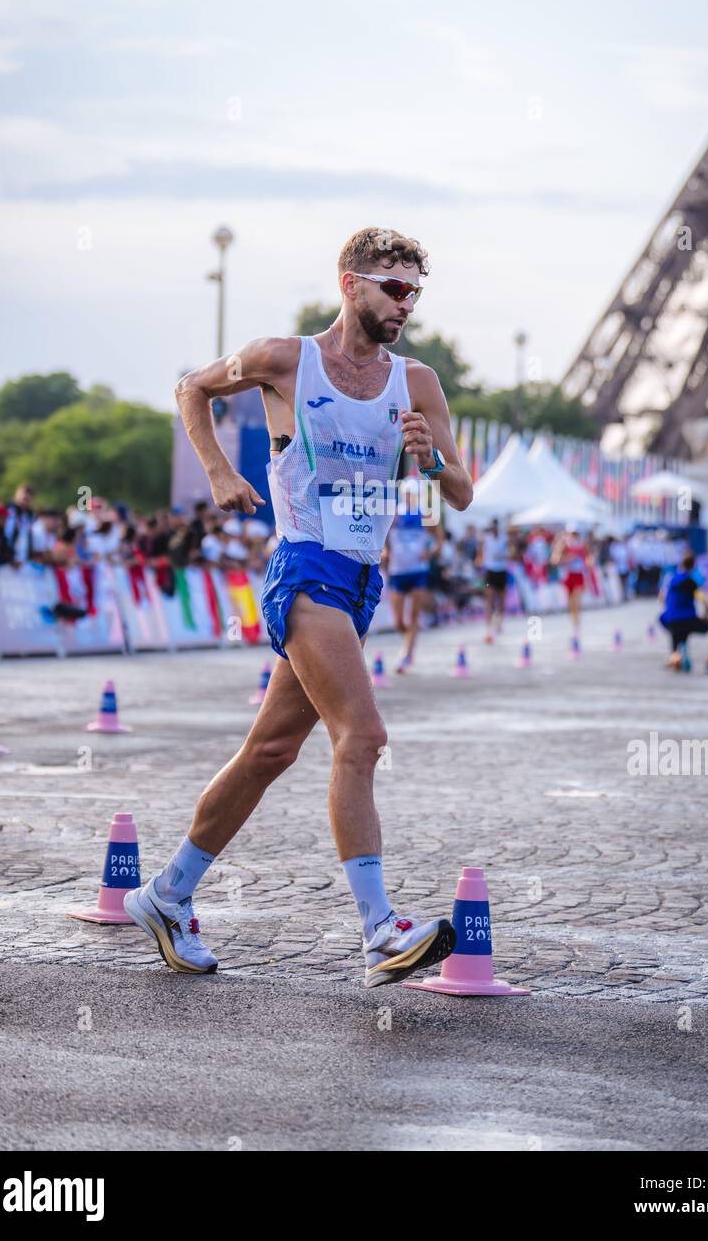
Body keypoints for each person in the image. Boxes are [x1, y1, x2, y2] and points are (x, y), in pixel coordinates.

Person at [124, 226, 473, 987]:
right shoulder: (287, 358)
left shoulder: (417, 383)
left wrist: (432, 457)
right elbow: (193, 386)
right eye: (395, 286)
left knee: (270, 753)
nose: (407, 304)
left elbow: (462, 491)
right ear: (350, 282)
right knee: (364, 736)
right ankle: (381, 928)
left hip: (359, 582)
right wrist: (218, 469)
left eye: (416, 290)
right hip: (303, 568)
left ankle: (167, 894)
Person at [384, 486, 433, 672]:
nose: (409, 496)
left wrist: (428, 553)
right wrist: (386, 551)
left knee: (413, 616)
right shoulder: (393, 514)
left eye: (413, 493)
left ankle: (406, 653)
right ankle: (409, 641)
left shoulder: (425, 515)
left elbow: (439, 539)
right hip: (398, 571)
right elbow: (384, 536)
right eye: (407, 493)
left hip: (418, 571)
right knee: (398, 622)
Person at [658, 552, 708, 674]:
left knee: (678, 643)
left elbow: (661, 596)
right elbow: (705, 602)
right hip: (687, 620)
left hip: (669, 620)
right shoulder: (691, 582)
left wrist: (668, 609)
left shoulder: (670, 578)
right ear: (693, 566)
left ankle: (675, 658)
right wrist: (706, 616)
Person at [552, 527, 590, 637]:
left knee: (577, 600)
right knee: (570, 603)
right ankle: (574, 622)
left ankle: (577, 624)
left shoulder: (583, 544)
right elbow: (555, 560)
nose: (574, 536)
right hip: (568, 575)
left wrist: (588, 562)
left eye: (576, 533)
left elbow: (588, 557)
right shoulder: (564, 544)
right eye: (572, 533)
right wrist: (567, 558)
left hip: (579, 575)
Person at [477, 518, 510, 643]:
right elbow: (480, 552)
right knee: (489, 600)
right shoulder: (486, 538)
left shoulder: (504, 538)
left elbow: (511, 552)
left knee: (501, 600)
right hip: (490, 571)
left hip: (501, 570)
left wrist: (503, 555)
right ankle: (488, 627)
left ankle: (499, 623)